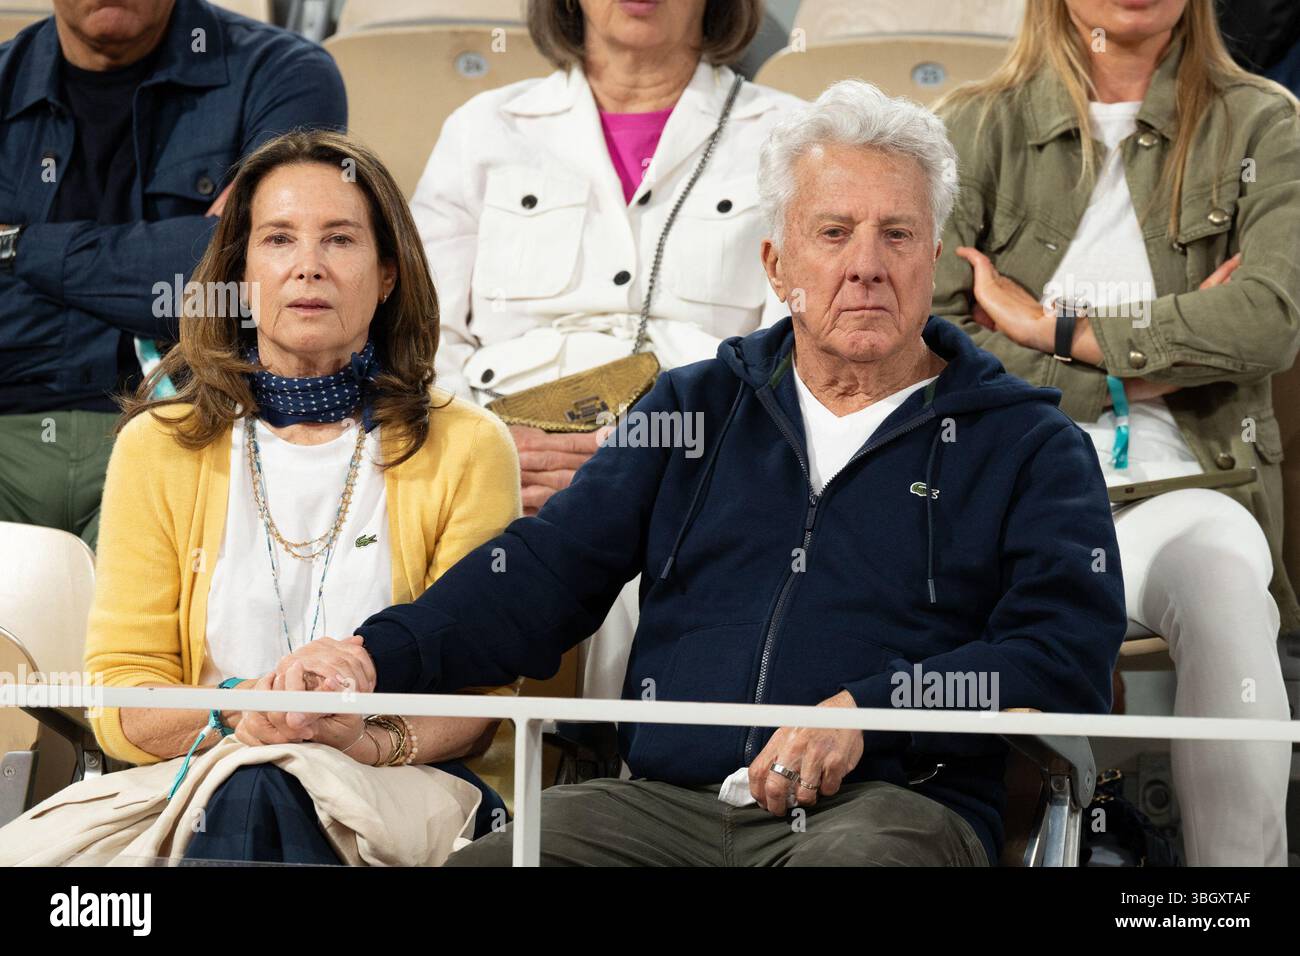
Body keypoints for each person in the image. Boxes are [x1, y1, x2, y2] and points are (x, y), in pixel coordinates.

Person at [285, 81, 1127, 867]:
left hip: (887, 808)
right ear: (776, 266)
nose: (866, 264)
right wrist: (370, 657)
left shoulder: (1028, 442)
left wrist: (873, 711)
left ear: (934, 259)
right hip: (660, 801)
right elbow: (538, 577)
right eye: (833, 233)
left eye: (897, 234)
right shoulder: (695, 409)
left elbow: (1062, 655)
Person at [0, 131, 522, 866]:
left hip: (399, 781)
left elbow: (478, 699)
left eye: (340, 239)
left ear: (387, 276)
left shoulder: (469, 445)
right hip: (195, 778)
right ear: (241, 275)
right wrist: (240, 715)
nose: (308, 266)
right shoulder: (159, 446)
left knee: (263, 793)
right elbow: (121, 699)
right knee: (248, 790)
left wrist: (362, 739)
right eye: (279, 239)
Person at [932, 0, 1300, 865]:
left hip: (1184, 491)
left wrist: (1046, 331)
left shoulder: (1263, 122)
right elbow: (931, 339)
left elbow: (1270, 321)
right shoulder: (972, 125)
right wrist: (1139, 368)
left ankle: (1230, 900)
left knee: (1222, 579)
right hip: (1009, 495)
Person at [411, 0, 802, 699]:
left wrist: (642, 462)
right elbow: (421, 332)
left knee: (653, 538)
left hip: (696, 462)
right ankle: (453, 786)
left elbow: (796, 348)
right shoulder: (483, 130)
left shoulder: (792, 136)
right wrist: (486, 448)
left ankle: (630, 793)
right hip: (503, 454)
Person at [0, 0, 346, 549]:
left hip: (199, 424)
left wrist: (18, 247)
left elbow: (257, 277)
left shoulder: (282, 73)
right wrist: (169, 268)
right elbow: (215, 278)